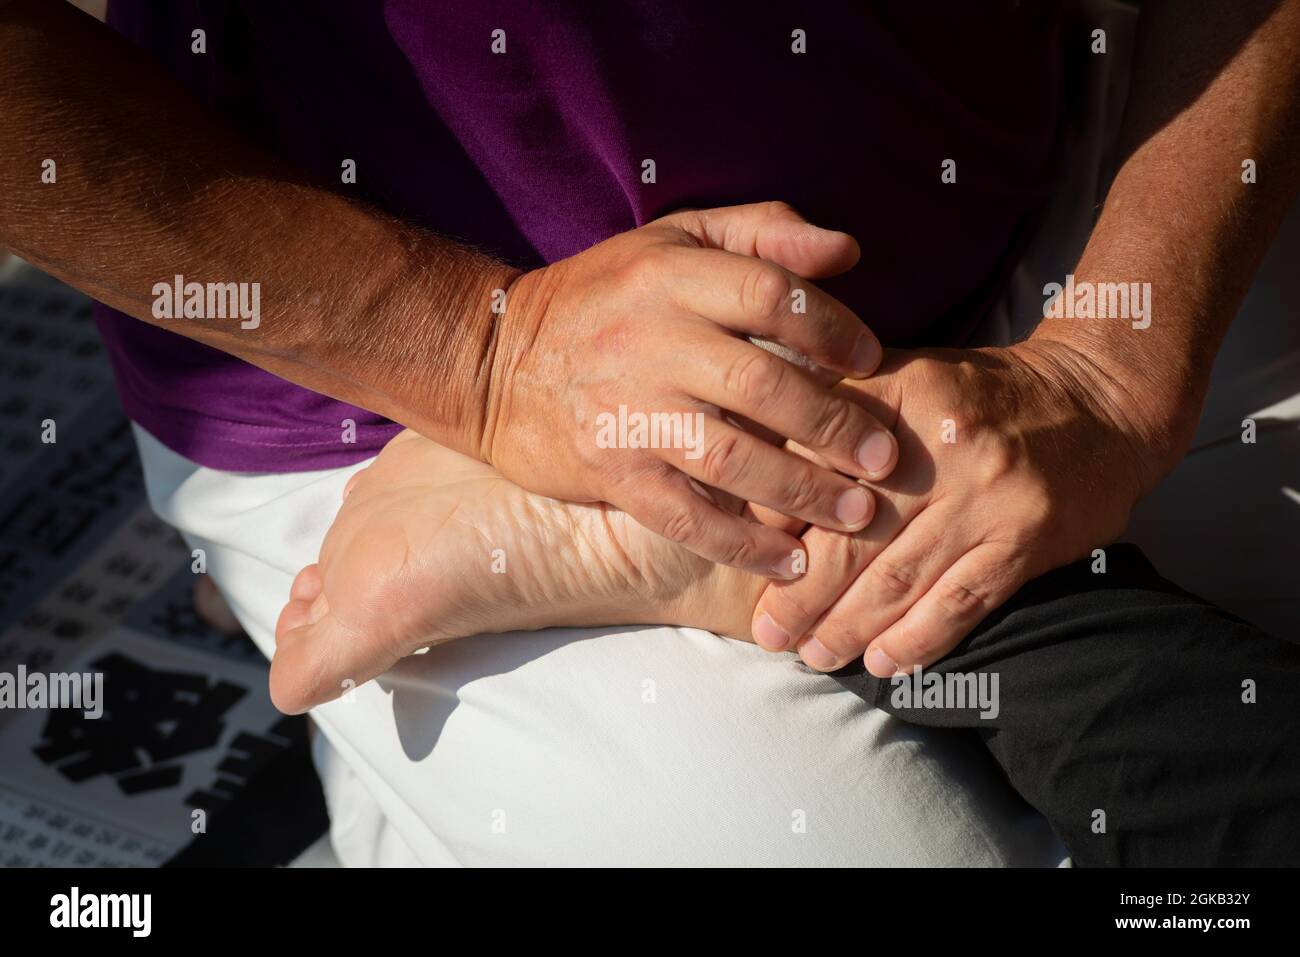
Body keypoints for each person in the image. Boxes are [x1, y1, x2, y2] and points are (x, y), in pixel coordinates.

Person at [2, 0, 1297, 865]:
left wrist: (1114, 366)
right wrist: (482, 354)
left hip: (1072, 177)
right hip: (378, 383)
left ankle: (725, 542)